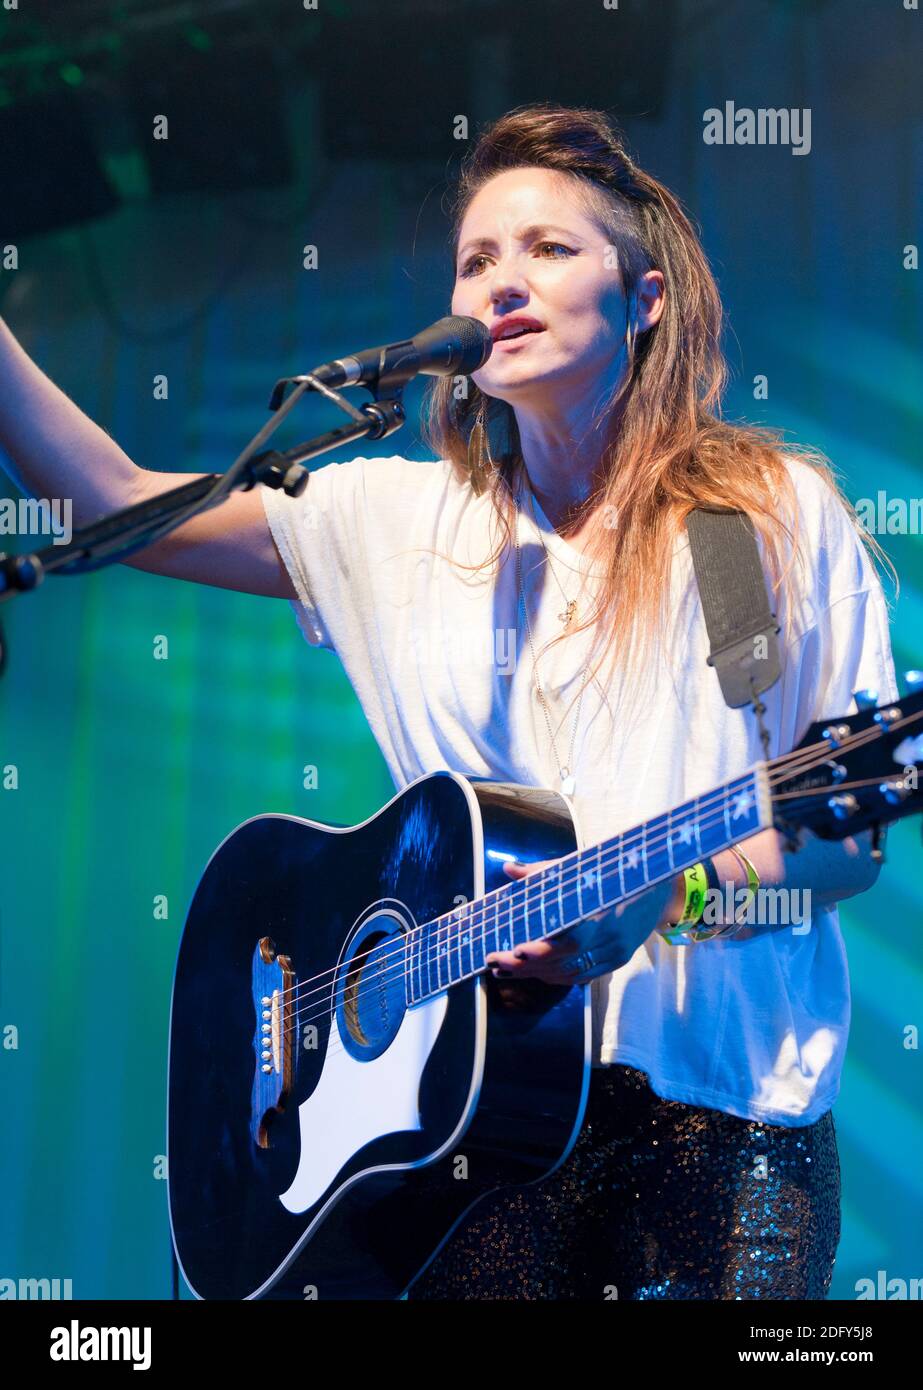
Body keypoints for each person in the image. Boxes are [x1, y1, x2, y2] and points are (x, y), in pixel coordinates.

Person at [0, 104, 899, 1300]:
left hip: (715, 1136)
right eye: (476, 260)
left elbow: (838, 844)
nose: (501, 282)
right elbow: (103, 498)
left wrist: (671, 898)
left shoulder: (738, 521)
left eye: (547, 248)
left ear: (644, 301)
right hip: (468, 1138)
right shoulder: (401, 524)